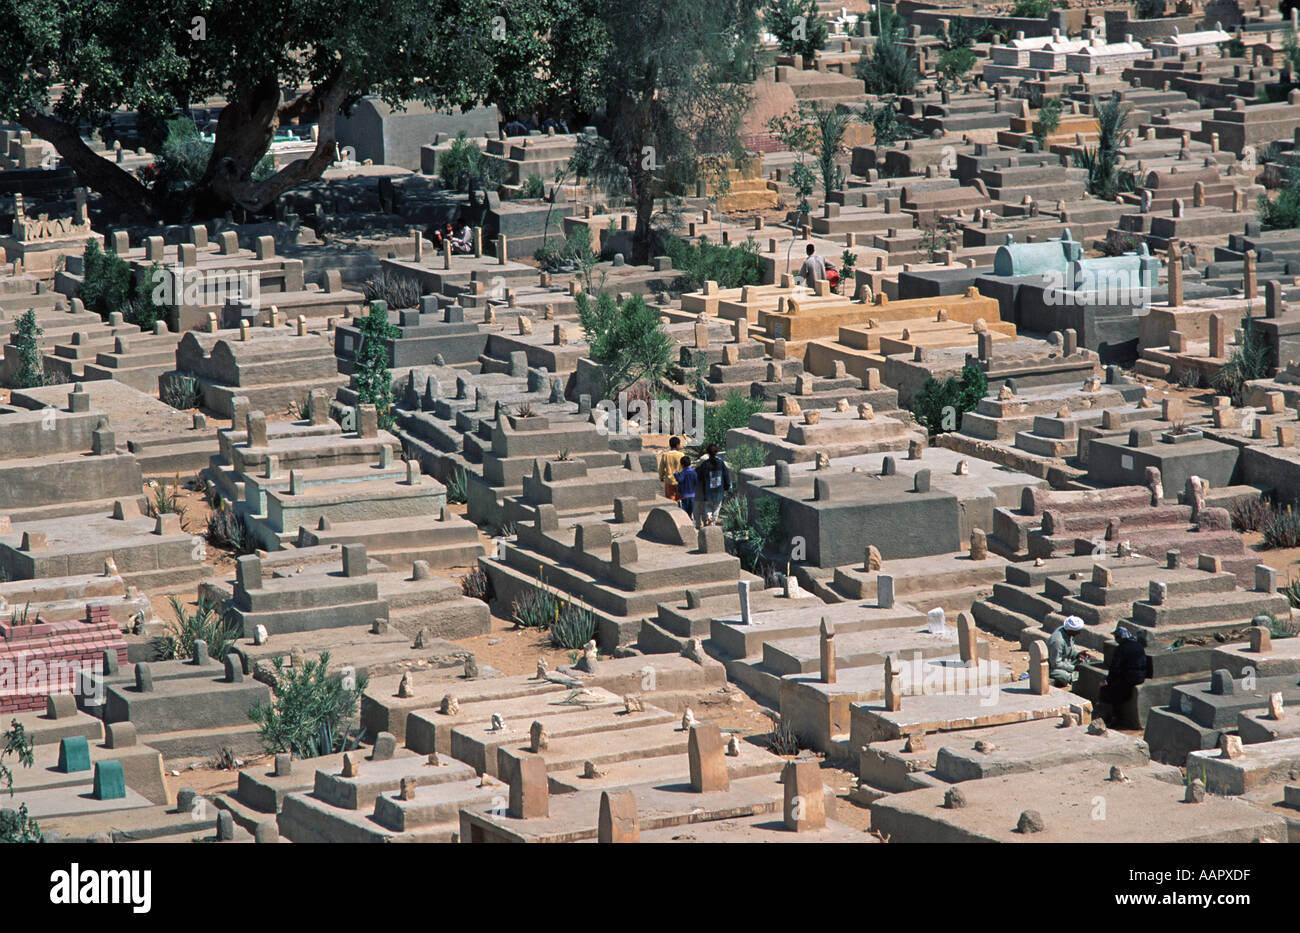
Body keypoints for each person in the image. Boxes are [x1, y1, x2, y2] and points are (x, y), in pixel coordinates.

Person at [1097, 625, 1148, 721]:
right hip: (1141, 676)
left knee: (1107, 690)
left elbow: (1114, 669)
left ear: (1119, 638)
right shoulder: (1138, 645)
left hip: (1129, 679)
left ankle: (1113, 717)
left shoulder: (1121, 649)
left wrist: (1107, 681)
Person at [1047, 615, 1091, 687]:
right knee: (1070, 677)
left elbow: (1069, 648)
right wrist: (1073, 668)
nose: (1079, 633)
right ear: (1071, 630)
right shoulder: (1058, 641)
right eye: (1077, 631)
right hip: (1052, 668)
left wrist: (1078, 654)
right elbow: (1055, 664)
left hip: (1065, 661)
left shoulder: (1067, 632)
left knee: (1085, 662)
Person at [698, 443, 730, 525]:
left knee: (708, 506)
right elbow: (726, 476)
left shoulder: (705, 464)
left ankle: (708, 516)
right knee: (717, 508)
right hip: (719, 491)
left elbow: (699, 477)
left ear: (708, 453)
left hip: (707, 492)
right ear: (717, 452)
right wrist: (727, 486)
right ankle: (713, 523)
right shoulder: (721, 463)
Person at [658, 435, 685, 501]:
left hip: (669, 480)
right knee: (680, 499)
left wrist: (661, 477)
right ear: (677, 445)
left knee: (670, 500)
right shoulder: (681, 455)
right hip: (679, 481)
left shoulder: (665, 455)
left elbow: (661, 468)